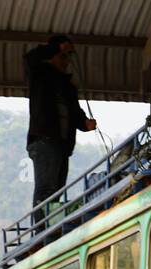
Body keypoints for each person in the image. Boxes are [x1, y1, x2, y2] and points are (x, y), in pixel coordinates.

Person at [24, 34, 98, 218]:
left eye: (69, 56)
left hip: (62, 146)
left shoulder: (66, 84)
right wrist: (55, 48)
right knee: (47, 190)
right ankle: (42, 232)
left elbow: (74, 112)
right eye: (64, 55)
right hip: (44, 141)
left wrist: (84, 123)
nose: (67, 60)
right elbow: (30, 57)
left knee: (57, 192)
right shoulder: (40, 73)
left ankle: (51, 228)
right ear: (54, 55)